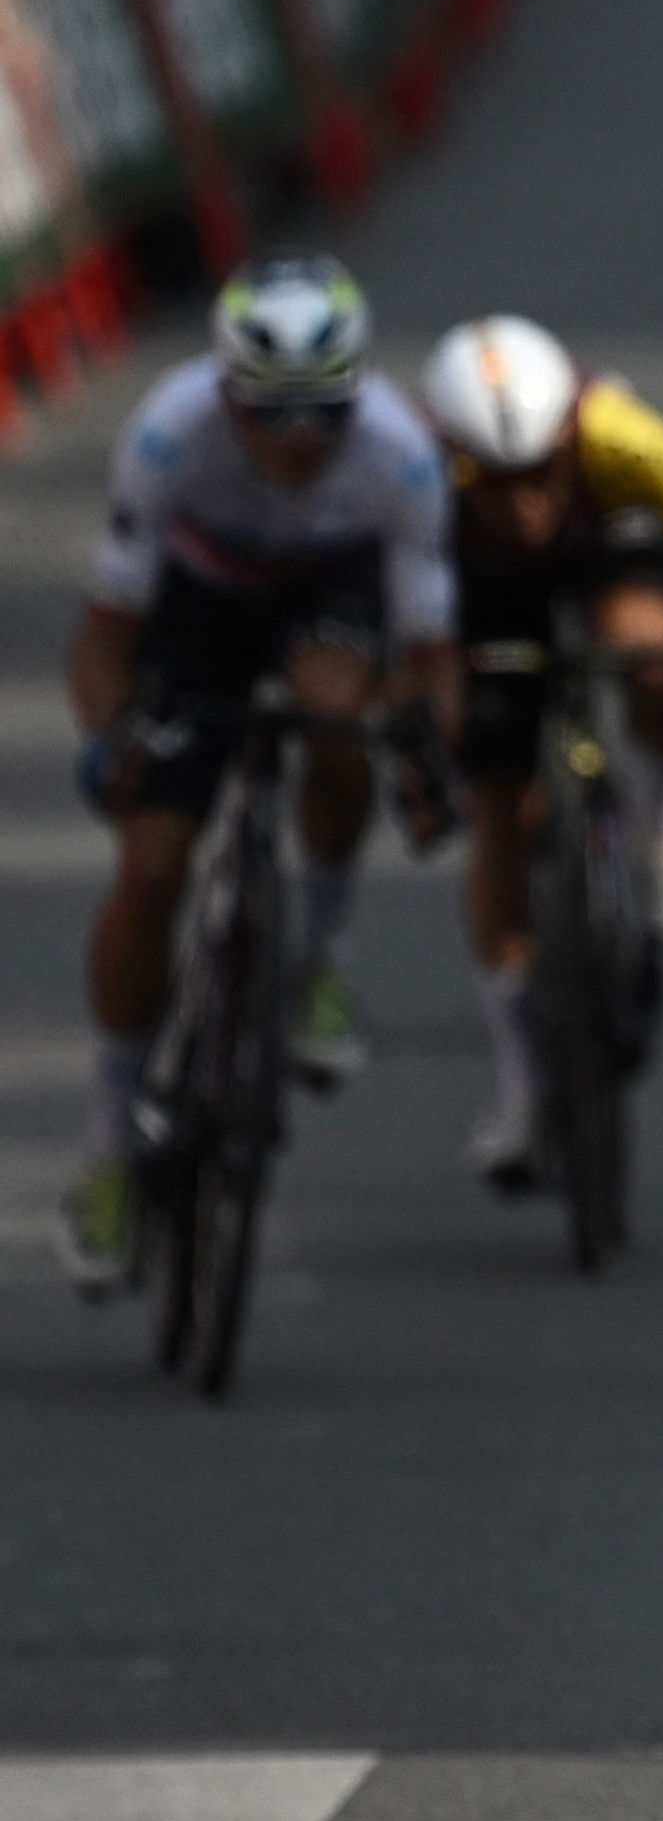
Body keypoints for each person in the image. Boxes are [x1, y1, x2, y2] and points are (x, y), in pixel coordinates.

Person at [61, 259, 457, 1280]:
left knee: (336, 718)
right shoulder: (168, 433)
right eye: (270, 412)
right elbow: (107, 637)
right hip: (199, 601)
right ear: (227, 391)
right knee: (150, 868)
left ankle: (316, 961)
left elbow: (429, 662)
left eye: (322, 410)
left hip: (331, 588)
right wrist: (114, 741)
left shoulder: (400, 455)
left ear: (357, 391)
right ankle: (108, 1145)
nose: (296, 439)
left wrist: (427, 754)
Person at [420, 318, 663, 1183]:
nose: (522, 507)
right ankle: (520, 1087)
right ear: (449, 453)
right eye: (491, 480)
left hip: (610, 544)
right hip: (481, 585)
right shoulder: (415, 474)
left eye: (539, 476)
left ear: (567, 438)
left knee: (647, 646)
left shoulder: (620, 439)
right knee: (499, 808)